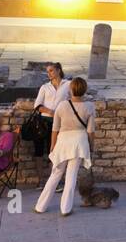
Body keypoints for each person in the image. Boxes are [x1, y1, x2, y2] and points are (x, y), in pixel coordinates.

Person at [35, 77, 94, 216]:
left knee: (55, 173)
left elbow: (55, 129)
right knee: (71, 175)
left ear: (71, 89)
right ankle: (66, 209)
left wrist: (52, 146)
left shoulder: (62, 105)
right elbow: (91, 131)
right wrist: (91, 147)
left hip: (63, 141)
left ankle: (41, 206)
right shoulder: (90, 106)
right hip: (79, 142)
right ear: (84, 90)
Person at [31, 63, 69, 159]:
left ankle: (52, 173)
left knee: (54, 150)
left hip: (59, 122)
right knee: (39, 151)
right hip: (43, 121)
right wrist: (51, 112)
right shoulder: (45, 87)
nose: (49, 73)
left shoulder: (68, 84)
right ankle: (40, 174)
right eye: (47, 71)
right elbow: (37, 105)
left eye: (51, 70)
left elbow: (73, 100)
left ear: (58, 70)